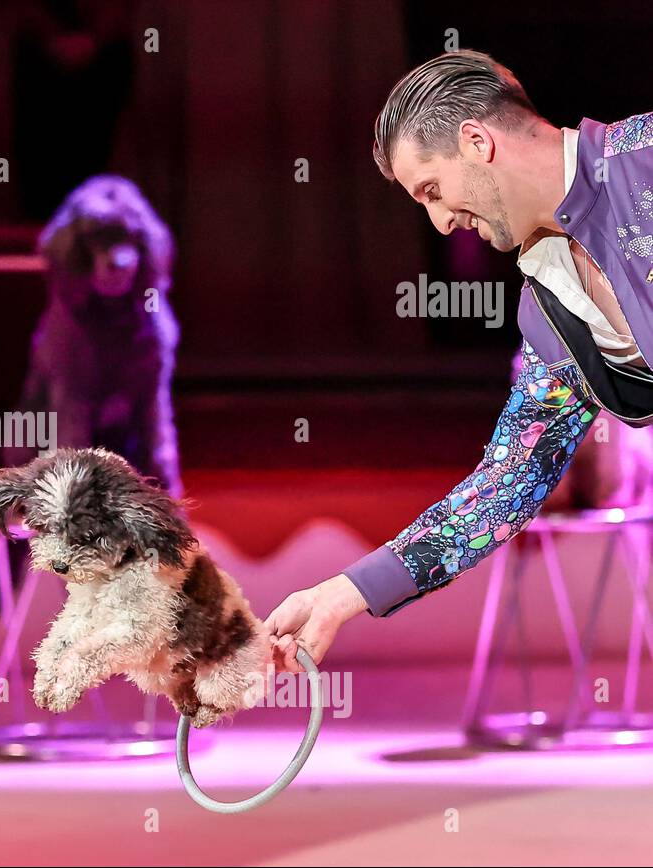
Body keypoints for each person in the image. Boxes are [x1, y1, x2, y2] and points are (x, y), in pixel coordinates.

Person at [267, 49, 653, 672]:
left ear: (476, 141)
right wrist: (342, 594)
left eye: (431, 190)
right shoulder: (549, 318)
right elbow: (501, 489)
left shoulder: (645, 155)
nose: (441, 223)